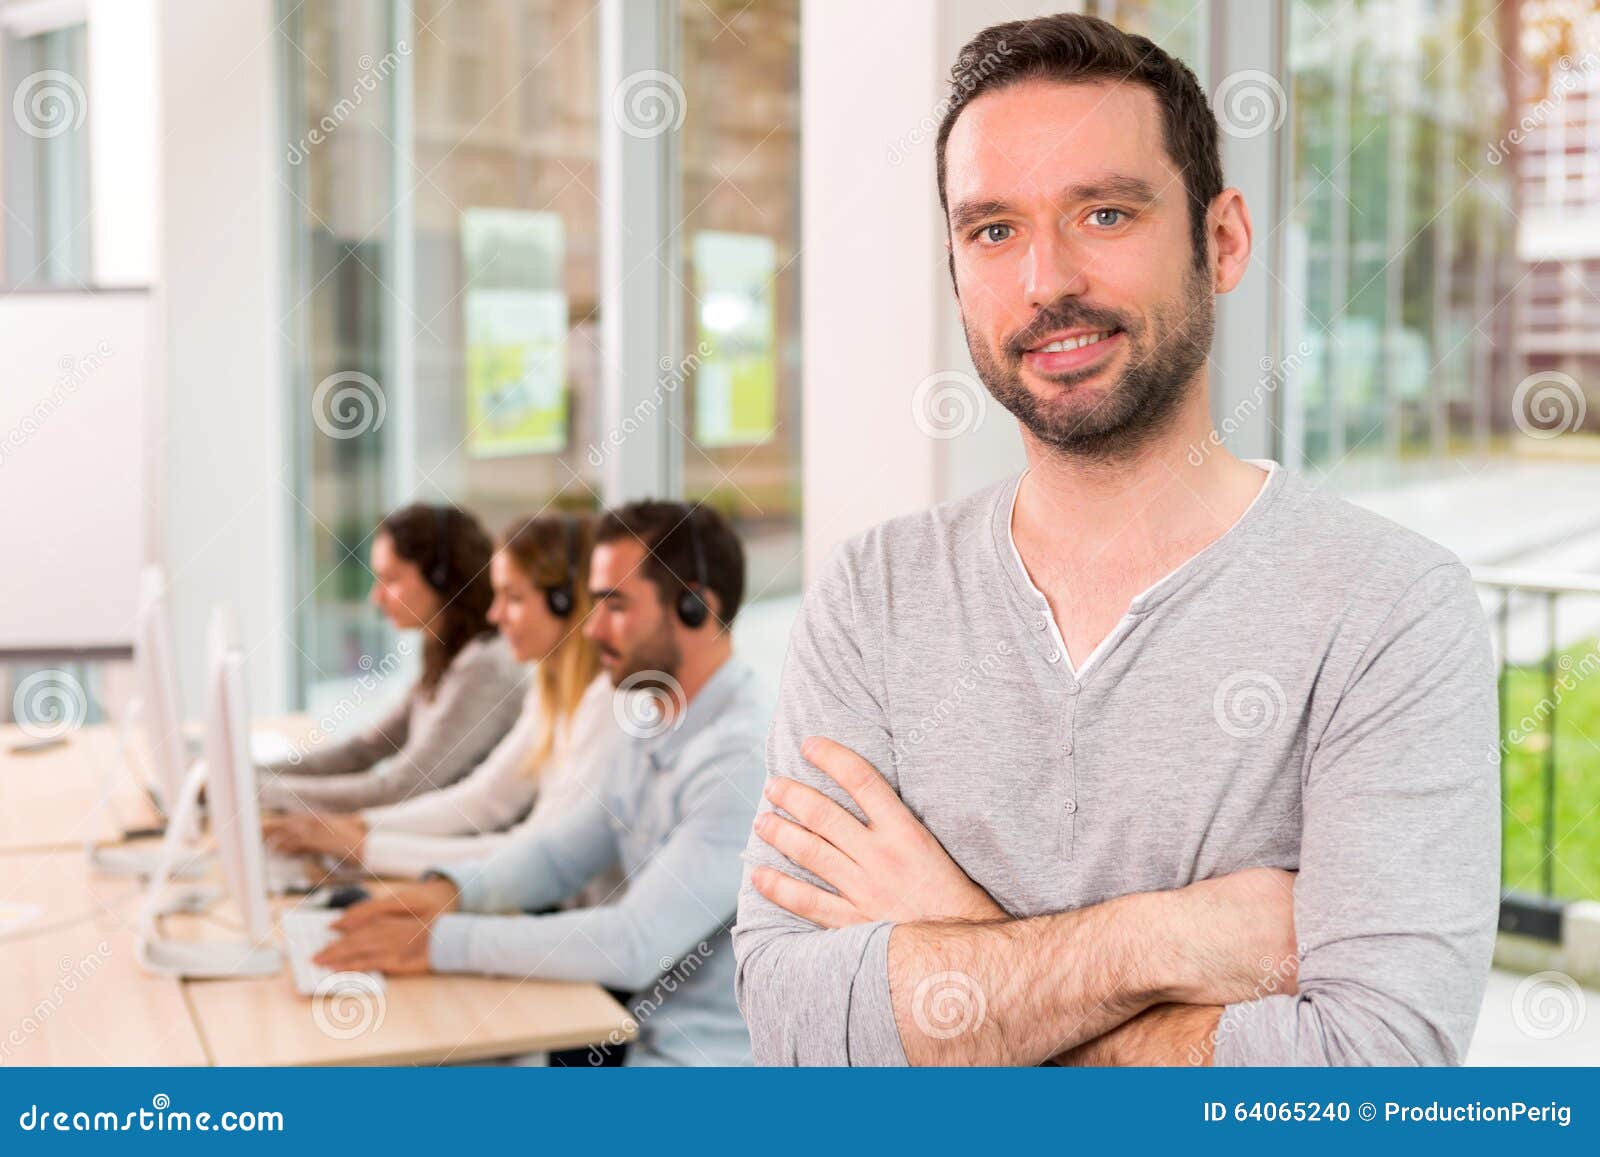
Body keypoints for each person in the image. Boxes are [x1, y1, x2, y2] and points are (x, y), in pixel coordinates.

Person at [732, 12, 1499, 1067]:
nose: (1046, 279)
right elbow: (790, 1020)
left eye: (1103, 212)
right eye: (992, 229)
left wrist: (952, 958)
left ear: (1220, 241)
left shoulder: (1388, 607)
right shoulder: (875, 594)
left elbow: (1370, 1072)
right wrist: (1171, 939)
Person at [314, 501, 769, 1067]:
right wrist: (445, 893)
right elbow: (558, 853)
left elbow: (635, 943)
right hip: (623, 1033)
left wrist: (439, 942)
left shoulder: (741, 758)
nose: (593, 626)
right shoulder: (648, 716)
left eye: (615, 606)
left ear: (696, 607)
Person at [264, 514, 614, 896]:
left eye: (513, 598)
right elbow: (483, 797)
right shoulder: (549, 690)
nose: (496, 615)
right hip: (524, 894)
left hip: (558, 913)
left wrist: (362, 843)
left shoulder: (598, 704)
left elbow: (530, 850)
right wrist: (359, 828)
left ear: (567, 602)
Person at [258, 503, 526, 813]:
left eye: (391, 579)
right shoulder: (448, 658)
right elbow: (364, 750)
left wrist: (261, 792)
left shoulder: (485, 670)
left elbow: (397, 789)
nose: (377, 596)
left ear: (441, 576)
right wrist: (255, 776)